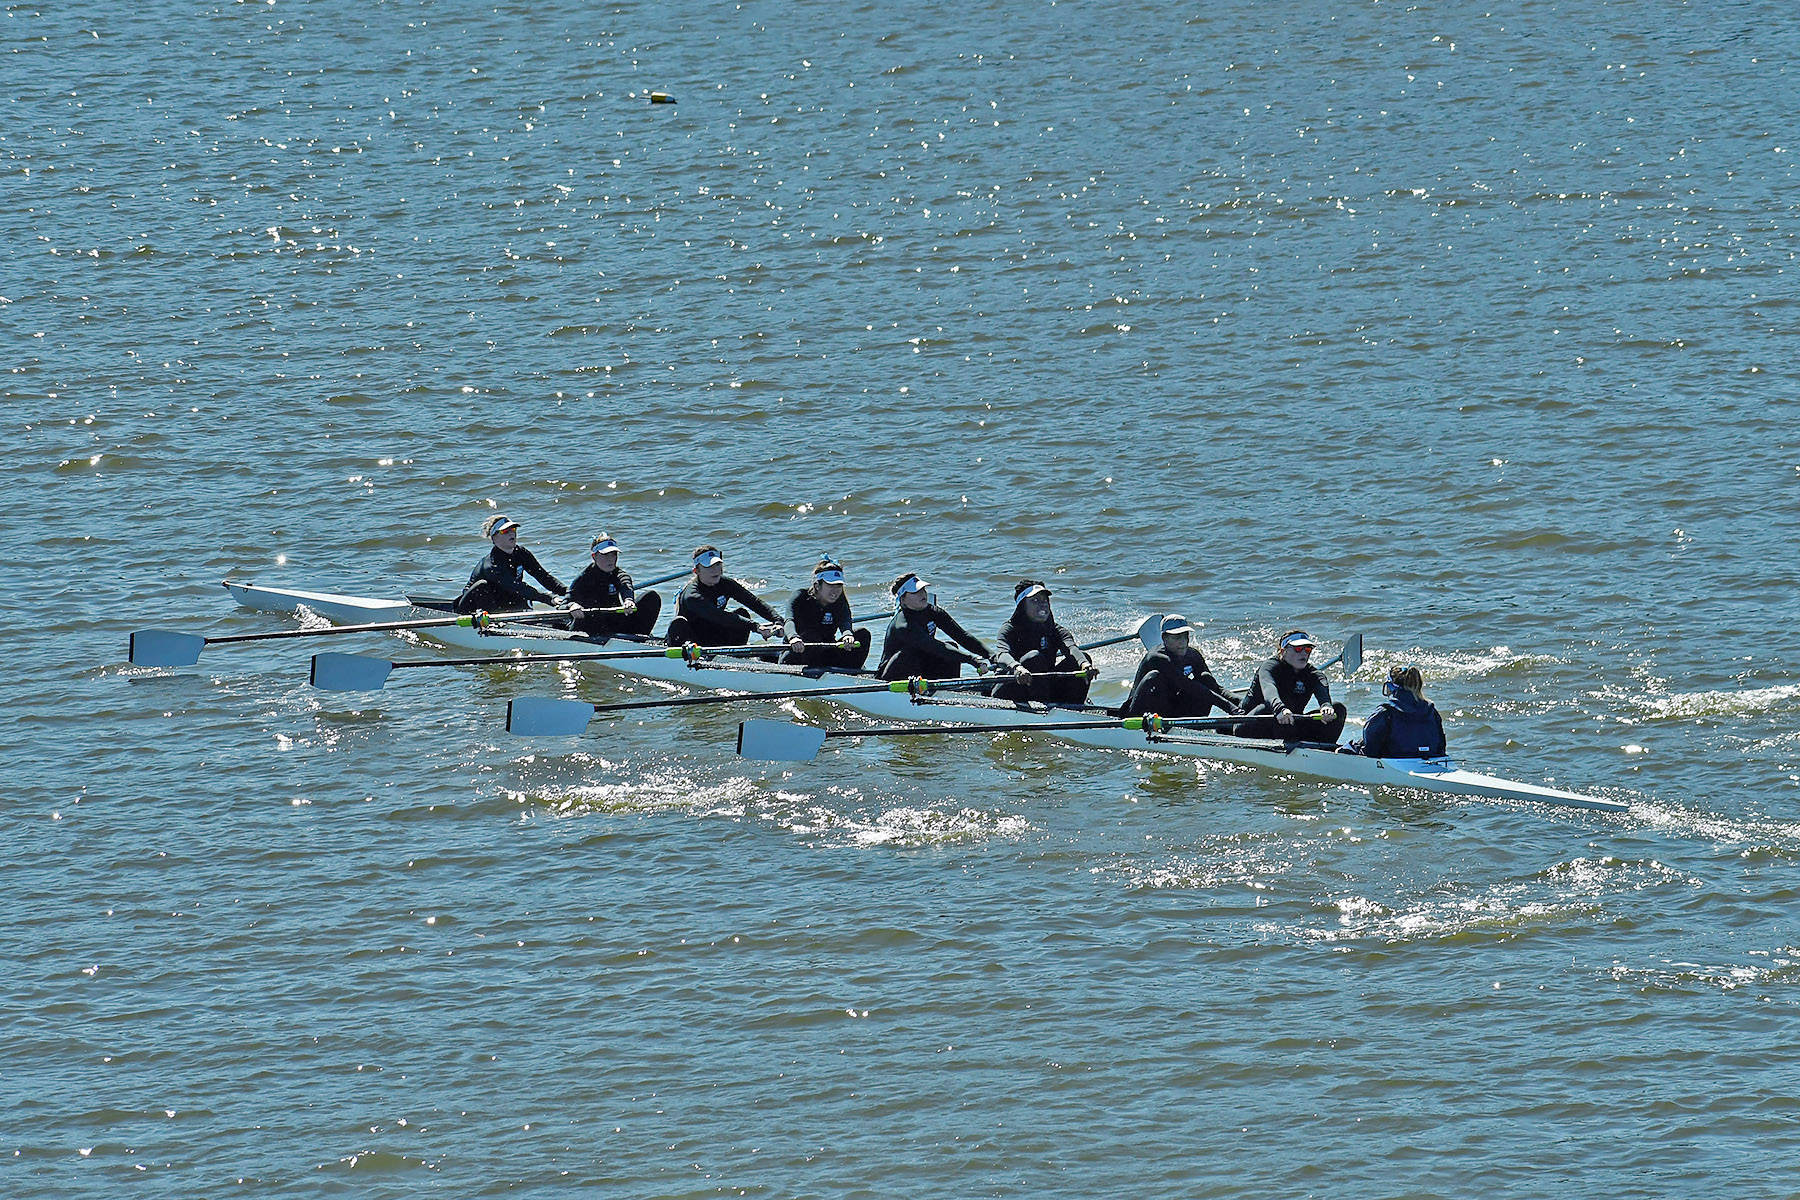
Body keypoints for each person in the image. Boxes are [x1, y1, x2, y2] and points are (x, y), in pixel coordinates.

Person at [1234, 629, 1348, 744]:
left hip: (1288, 725)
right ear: (1283, 651)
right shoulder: (1269, 667)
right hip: (1249, 726)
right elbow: (1269, 689)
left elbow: (1322, 691)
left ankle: (1324, 751)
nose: (1304, 654)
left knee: (1338, 709)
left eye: (1308, 649)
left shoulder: (1314, 674)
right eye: (1298, 649)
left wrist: (1326, 707)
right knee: (1269, 708)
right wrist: (1279, 708)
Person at [876, 573, 995, 681]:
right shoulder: (903, 624)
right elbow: (935, 647)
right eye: (916, 592)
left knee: (952, 646)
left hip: (921, 669)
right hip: (892, 675)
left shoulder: (933, 612)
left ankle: (949, 691)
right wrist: (972, 660)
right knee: (908, 654)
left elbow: (962, 636)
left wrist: (992, 656)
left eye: (923, 589)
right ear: (903, 599)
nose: (922, 594)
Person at [991, 579, 1094, 705]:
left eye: (1045, 600)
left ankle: (1074, 708)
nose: (1042, 604)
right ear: (1022, 606)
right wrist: (1017, 668)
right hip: (1010, 689)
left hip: (1043, 688)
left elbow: (1071, 648)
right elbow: (1002, 655)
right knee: (1034, 658)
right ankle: (1042, 710)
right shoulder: (1009, 629)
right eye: (1035, 601)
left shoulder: (1056, 630)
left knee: (1082, 659)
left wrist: (1084, 664)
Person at [662, 544, 786, 647]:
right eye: (709, 566)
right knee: (679, 623)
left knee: (742, 613)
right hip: (691, 640)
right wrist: (756, 627)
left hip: (712, 635)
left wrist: (778, 620)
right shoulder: (692, 595)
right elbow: (718, 616)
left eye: (717, 564)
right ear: (697, 571)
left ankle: (736, 658)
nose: (716, 570)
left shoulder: (725, 583)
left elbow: (754, 602)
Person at [1119, 614, 1241, 718]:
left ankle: (1191, 729)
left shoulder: (1193, 655)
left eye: (1185, 636)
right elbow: (1187, 685)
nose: (1182, 642)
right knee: (1154, 677)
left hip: (1170, 709)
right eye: (1176, 637)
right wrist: (1231, 709)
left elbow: (1215, 688)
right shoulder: (1157, 657)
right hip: (1138, 713)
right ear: (1164, 638)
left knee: (1205, 678)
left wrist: (1240, 703)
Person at [454, 514, 567, 615]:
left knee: (522, 597)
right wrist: (550, 598)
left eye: (513, 529)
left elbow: (543, 577)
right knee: (482, 585)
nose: (512, 533)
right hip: (469, 608)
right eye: (505, 531)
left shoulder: (521, 553)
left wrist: (570, 593)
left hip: (503, 598)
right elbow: (516, 587)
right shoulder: (492, 565)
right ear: (494, 537)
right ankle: (491, 626)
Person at [566, 532, 662, 639]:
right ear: (594, 556)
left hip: (614, 624)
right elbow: (566, 602)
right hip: (591, 627)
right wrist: (572, 606)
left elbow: (625, 583)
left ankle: (640, 639)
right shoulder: (583, 578)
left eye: (614, 554)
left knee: (651, 597)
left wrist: (628, 600)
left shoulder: (618, 574)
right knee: (587, 618)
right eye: (606, 555)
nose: (611, 559)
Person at [784, 557, 871, 671]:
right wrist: (793, 638)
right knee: (812, 636)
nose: (835, 591)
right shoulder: (800, 597)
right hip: (797, 655)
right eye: (830, 585)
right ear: (817, 586)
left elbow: (845, 621)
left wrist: (847, 635)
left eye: (839, 586)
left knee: (863, 634)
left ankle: (851, 675)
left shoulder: (840, 601)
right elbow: (789, 621)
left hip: (825, 654)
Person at [1350, 665, 1447, 758]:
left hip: (1394, 762)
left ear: (1390, 686)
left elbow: (1370, 752)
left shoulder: (1385, 713)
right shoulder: (1432, 712)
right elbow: (1441, 748)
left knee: (1348, 748)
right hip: (1432, 759)